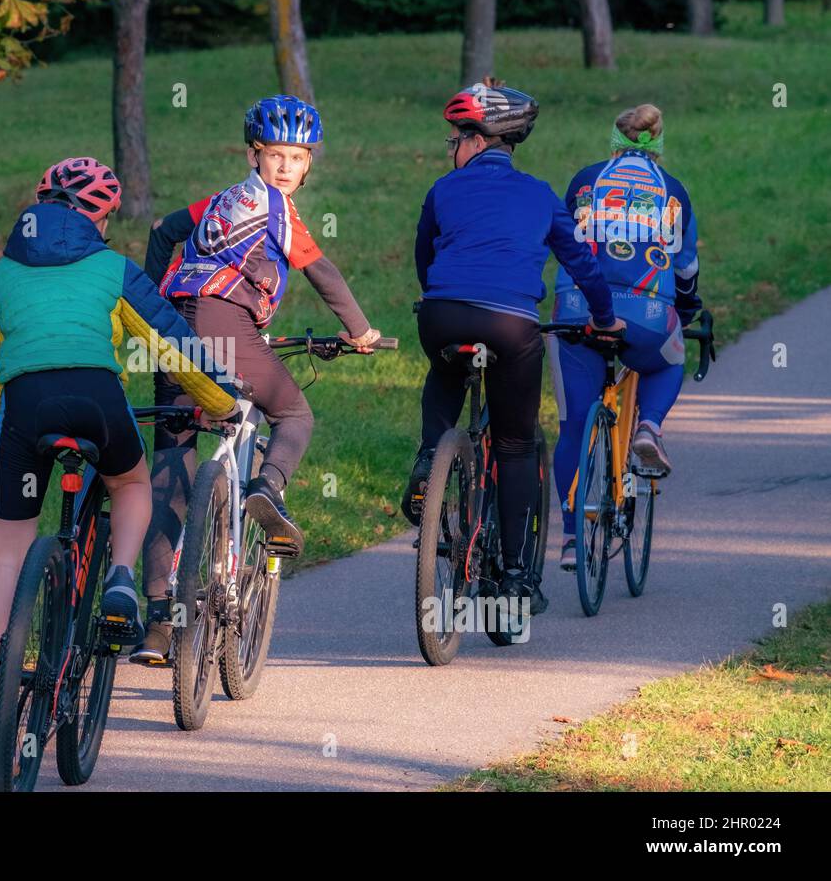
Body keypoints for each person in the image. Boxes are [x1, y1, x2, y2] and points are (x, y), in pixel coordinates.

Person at [0, 156, 236, 750]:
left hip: (26, 411)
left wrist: (11, 375)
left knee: (7, 553)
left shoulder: (2, 273)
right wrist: (219, 400)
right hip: (97, 400)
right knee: (130, 484)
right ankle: (118, 579)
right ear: (101, 218)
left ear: (37, 203)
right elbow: (172, 342)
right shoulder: (114, 268)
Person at [134, 94, 380, 665]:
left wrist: (148, 302)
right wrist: (360, 331)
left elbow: (159, 230)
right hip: (225, 325)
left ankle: (158, 623)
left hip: (172, 331)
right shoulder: (278, 209)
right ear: (255, 154)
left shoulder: (219, 201)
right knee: (293, 413)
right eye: (276, 156)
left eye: (297, 157)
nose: (287, 167)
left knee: (172, 464)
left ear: (309, 161)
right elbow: (321, 271)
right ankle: (267, 489)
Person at [401, 83, 624, 613]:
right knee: (516, 445)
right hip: (510, 325)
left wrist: (436, 298)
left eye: (453, 139)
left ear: (477, 142)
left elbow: (423, 254)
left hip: (442, 314)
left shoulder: (442, 189)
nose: (451, 149)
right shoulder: (541, 195)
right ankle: (517, 578)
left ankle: (431, 458)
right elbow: (583, 263)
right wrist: (604, 318)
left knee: (445, 370)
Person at [551, 103, 701, 571]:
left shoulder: (584, 180)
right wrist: (690, 308)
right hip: (646, 315)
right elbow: (687, 267)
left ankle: (573, 536)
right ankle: (650, 426)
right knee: (670, 356)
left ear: (613, 144)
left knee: (574, 422)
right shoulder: (672, 191)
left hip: (578, 310)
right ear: (657, 147)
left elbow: (558, 237)